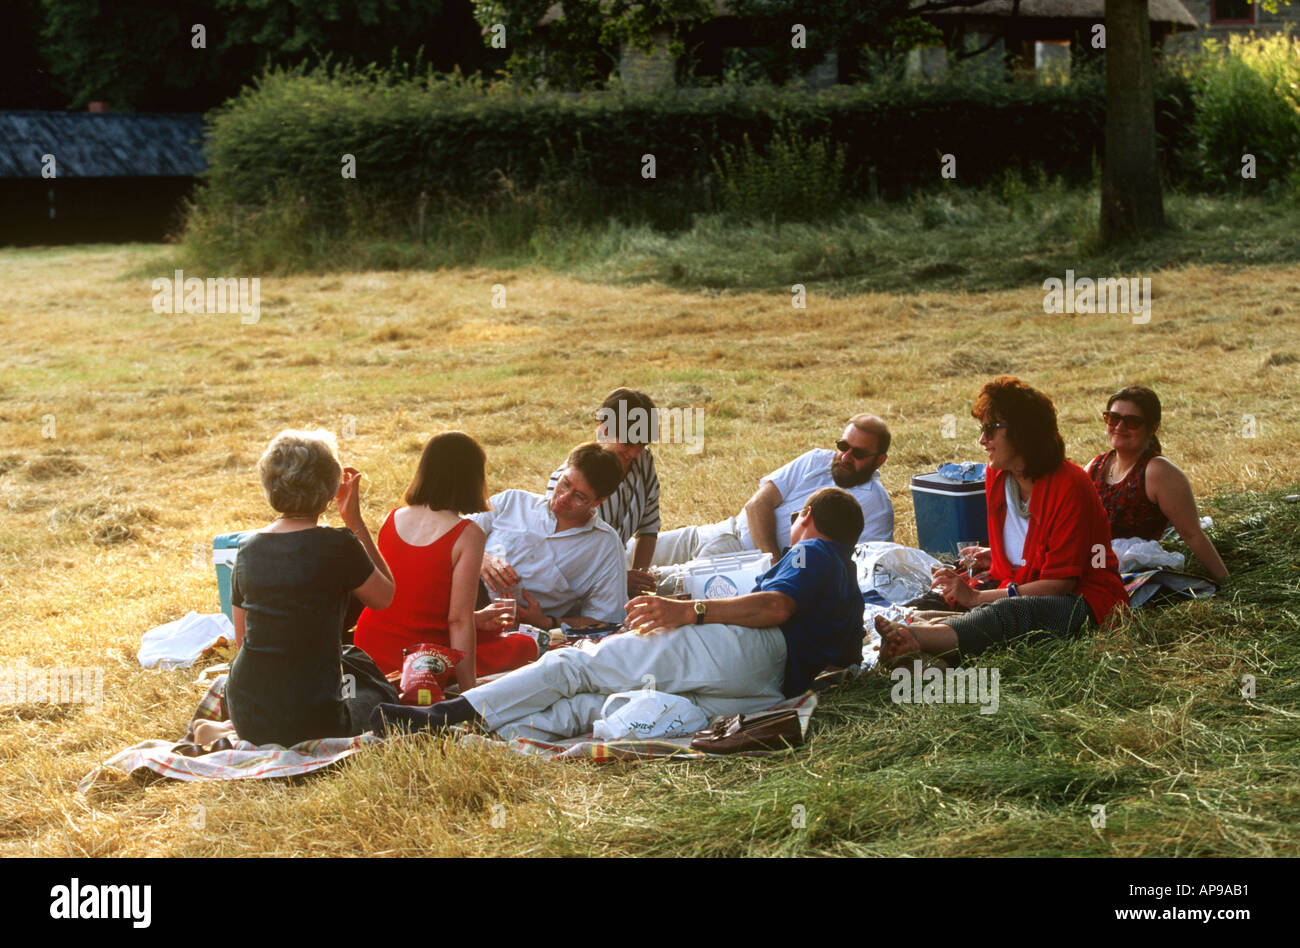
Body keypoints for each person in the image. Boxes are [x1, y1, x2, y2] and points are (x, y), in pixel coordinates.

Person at [370, 487, 867, 742]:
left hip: (747, 650)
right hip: (767, 690)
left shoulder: (813, 553)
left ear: (805, 516)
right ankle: (470, 739)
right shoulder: (850, 588)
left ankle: (440, 717)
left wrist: (689, 610)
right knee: (599, 706)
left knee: (579, 666)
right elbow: (843, 658)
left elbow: (775, 605)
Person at [875, 378, 1129, 668]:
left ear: (1023, 433)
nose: (982, 440)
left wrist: (976, 597)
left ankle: (918, 639)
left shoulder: (1070, 484)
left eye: (990, 429)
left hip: (1081, 598)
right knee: (936, 599)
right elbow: (1029, 552)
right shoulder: (997, 476)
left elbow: (1060, 583)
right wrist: (993, 558)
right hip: (1021, 582)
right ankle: (923, 649)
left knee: (1010, 611)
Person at [223, 429, 398, 746]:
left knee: (350, 658)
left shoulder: (246, 548)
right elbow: (385, 596)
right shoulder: (338, 544)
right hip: (314, 720)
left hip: (246, 713)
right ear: (330, 488)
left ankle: (219, 731)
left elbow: (243, 640)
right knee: (380, 693)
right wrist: (355, 522)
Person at [352, 432, 540, 694]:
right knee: (523, 645)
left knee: (487, 634)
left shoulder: (391, 517)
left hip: (368, 645)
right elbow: (457, 621)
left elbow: (410, 603)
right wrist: (468, 693)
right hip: (416, 660)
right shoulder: (467, 534)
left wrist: (475, 620)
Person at [649, 414, 895, 565]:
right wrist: (773, 559)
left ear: (880, 460)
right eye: (843, 446)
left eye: (859, 453)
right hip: (725, 530)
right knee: (625, 554)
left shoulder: (874, 506)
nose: (845, 457)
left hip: (741, 560)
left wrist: (772, 568)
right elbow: (756, 505)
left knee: (661, 585)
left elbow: (862, 566)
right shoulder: (815, 460)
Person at [474, 442, 628, 633]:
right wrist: (480, 557)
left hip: (514, 631)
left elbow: (606, 621)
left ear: (599, 501)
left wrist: (548, 622)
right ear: (562, 471)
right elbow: (449, 533)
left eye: (579, 496)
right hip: (458, 594)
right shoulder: (512, 502)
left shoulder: (605, 548)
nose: (563, 498)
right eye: (564, 484)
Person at [1086, 385, 1228, 581]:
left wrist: (1225, 582)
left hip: (1132, 567)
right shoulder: (1095, 466)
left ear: (1152, 428)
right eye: (1113, 418)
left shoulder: (1158, 471)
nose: (1119, 427)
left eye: (1132, 422)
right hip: (1092, 561)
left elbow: (1192, 534)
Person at [546, 388, 662, 597]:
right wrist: (617, 580)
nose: (635, 453)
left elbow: (648, 526)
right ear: (604, 429)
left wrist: (638, 578)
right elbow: (564, 561)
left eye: (642, 445)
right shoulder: (567, 485)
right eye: (627, 444)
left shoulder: (643, 460)